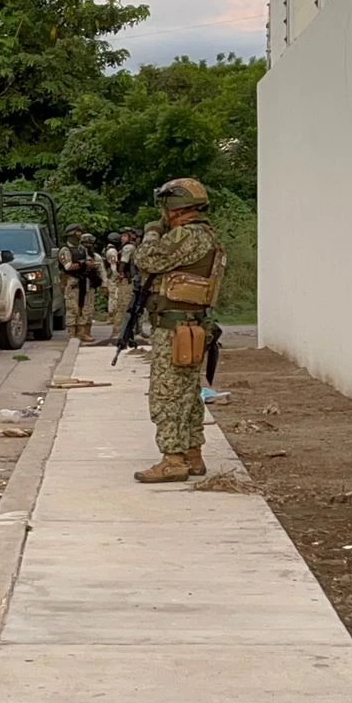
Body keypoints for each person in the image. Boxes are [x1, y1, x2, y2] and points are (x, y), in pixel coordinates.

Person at [131, 178, 226, 484]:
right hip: (191, 327)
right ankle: (193, 455)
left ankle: (173, 460)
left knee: (167, 396)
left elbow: (145, 259)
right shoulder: (207, 235)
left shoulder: (187, 236)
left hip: (174, 329)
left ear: (174, 207)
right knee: (187, 394)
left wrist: (151, 232)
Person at [57, 224, 97, 342]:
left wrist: (89, 262)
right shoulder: (65, 250)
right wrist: (83, 263)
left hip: (84, 281)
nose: (79, 235)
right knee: (72, 308)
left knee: (85, 308)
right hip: (71, 281)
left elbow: (89, 259)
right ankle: (71, 334)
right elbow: (68, 266)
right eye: (76, 233)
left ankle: (82, 333)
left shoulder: (82, 249)